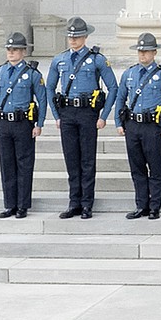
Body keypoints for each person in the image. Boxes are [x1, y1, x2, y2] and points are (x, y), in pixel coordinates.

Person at [46, 17, 117, 219]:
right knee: (71, 159)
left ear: (85, 37)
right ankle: (74, 202)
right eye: (70, 36)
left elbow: (113, 88)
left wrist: (103, 116)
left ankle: (87, 203)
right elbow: (49, 87)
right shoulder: (59, 59)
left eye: (77, 37)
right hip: (67, 112)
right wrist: (56, 114)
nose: (73, 40)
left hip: (88, 113)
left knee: (87, 160)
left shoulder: (97, 59)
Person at [113, 32, 161, 220]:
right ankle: (141, 205)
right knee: (137, 167)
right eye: (140, 51)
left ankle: (154, 206)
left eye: (147, 51)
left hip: (153, 126)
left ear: (154, 53)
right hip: (133, 125)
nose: (143, 55)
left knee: (155, 166)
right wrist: (119, 122)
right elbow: (120, 98)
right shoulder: (129, 73)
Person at [0, 32, 47, 218]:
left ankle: (22, 205)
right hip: (4, 122)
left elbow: (42, 100)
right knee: (7, 164)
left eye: (15, 50)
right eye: (9, 49)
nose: (11, 53)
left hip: (23, 124)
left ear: (23, 51)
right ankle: (10, 204)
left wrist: (39, 123)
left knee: (24, 164)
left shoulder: (32, 74)